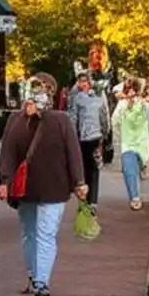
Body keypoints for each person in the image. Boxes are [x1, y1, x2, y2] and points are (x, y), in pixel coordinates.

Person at [0, 94, 87, 296]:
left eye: (31, 100)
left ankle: (41, 282)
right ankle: (35, 275)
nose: (27, 104)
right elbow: (8, 151)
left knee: (42, 234)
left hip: (46, 188)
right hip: (35, 188)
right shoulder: (18, 120)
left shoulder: (58, 120)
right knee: (32, 233)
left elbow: (73, 153)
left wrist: (79, 180)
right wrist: (3, 180)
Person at [110, 78, 149, 211]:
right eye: (129, 90)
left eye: (134, 90)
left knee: (136, 169)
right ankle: (134, 197)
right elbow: (115, 122)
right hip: (127, 143)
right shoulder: (121, 106)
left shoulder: (146, 106)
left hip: (142, 144)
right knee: (129, 170)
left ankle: (136, 188)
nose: (131, 93)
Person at [68, 72, 110, 214]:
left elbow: (103, 117)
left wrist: (104, 135)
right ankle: (87, 201)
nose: (83, 84)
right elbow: (73, 118)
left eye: (85, 82)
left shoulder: (91, 98)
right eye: (81, 82)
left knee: (91, 169)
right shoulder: (79, 98)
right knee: (88, 170)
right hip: (86, 138)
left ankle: (90, 202)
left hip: (92, 138)